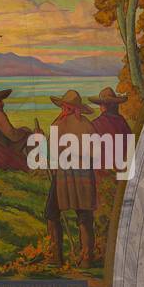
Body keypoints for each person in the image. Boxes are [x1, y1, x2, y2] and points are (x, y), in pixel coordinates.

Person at [44, 89, 97, 267]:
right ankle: (87, 258)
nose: (63, 110)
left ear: (69, 108)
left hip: (65, 174)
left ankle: (56, 256)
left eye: (65, 107)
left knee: (52, 212)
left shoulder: (60, 125)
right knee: (84, 213)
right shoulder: (88, 125)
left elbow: (52, 151)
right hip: (84, 174)